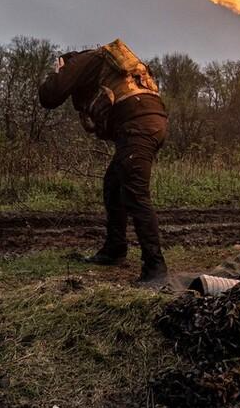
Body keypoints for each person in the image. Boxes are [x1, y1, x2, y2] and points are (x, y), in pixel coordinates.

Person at [38, 39, 170, 287]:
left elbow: (50, 96)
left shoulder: (84, 60)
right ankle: (114, 249)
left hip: (138, 125)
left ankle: (156, 268)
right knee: (113, 185)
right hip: (150, 122)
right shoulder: (112, 62)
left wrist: (57, 72)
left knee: (135, 193)